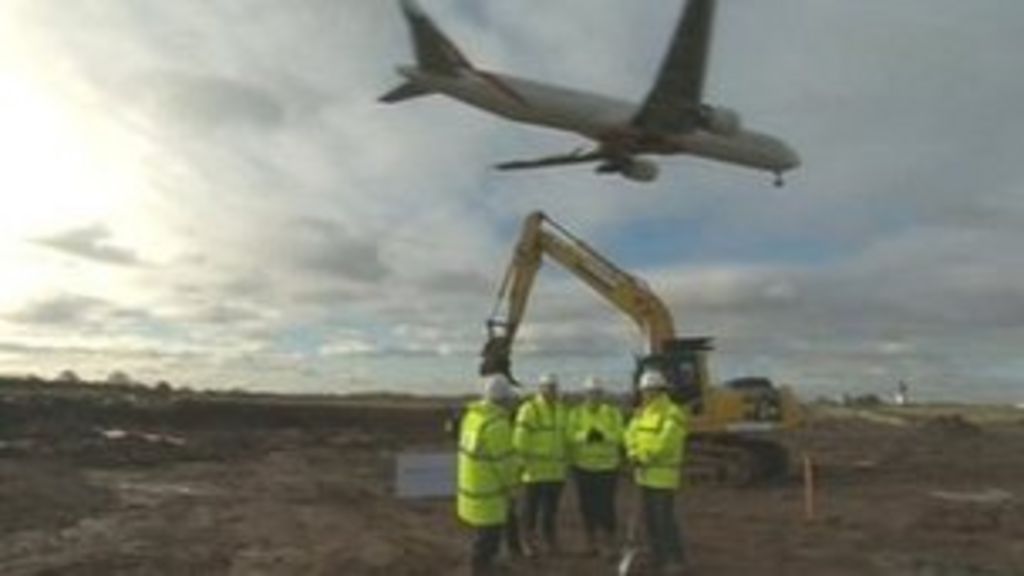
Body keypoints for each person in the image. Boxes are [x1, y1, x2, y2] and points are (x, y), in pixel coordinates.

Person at [625, 370, 688, 575]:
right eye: (645, 391)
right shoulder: (642, 412)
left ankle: (675, 560)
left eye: (651, 390)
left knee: (664, 521)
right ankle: (658, 557)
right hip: (644, 477)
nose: (647, 394)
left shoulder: (672, 413)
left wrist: (643, 457)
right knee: (650, 520)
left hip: (663, 478)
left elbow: (667, 444)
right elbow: (630, 434)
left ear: (661, 391)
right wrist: (633, 452)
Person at [457, 374, 519, 575]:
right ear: (504, 399)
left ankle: (485, 564)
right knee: (489, 536)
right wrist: (512, 488)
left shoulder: (473, 417)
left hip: (472, 488)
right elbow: (504, 463)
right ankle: (480, 569)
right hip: (489, 493)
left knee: (483, 533)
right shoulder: (498, 425)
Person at [567, 376, 624, 556]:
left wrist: (603, 436)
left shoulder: (612, 413)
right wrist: (585, 436)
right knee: (586, 506)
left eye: (597, 393)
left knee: (606, 506)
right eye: (591, 393)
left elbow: (621, 435)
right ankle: (590, 541)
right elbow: (569, 436)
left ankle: (609, 542)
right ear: (585, 394)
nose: (594, 397)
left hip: (607, 468)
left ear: (602, 394)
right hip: (583, 468)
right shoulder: (575, 413)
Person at [513, 372, 569, 556]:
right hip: (534, 472)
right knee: (530, 511)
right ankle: (528, 543)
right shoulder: (529, 409)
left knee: (550, 512)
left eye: (553, 388)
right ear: (540, 389)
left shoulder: (561, 409)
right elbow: (520, 440)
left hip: (556, 472)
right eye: (547, 388)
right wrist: (520, 465)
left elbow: (565, 438)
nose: (551, 391)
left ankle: (550, 541)